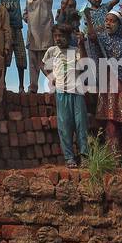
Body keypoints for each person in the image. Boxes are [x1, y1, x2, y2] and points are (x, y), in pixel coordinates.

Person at [85, 7, 122, 167]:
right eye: (106, 20)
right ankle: (115, 157)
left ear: (119, 23)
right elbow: (92, 36)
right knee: (110, 122)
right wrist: (89, 19)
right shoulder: (103, 39)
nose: (108, 23)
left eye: (112, 20)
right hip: (108, 83)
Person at [43, 20, 87, 168]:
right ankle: (69, 157)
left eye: (61, 36)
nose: (58, 39)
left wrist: (81, 44)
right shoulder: (52, 51)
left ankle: (84, 156)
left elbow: (84, 64)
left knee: (81, 124)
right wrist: (51, 78)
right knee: (64, 125)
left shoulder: (75, 50)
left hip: (78, 91)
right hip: (61, 91)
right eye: (55, 36)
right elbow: (43, 65)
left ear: (68, 37)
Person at [22, 0, 59, 93]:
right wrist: (26, 18)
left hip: (46, 35)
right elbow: (25, 13)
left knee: (46, 64)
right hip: (32, 36)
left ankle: (55, 85)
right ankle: (33, 88)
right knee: (33, 65)